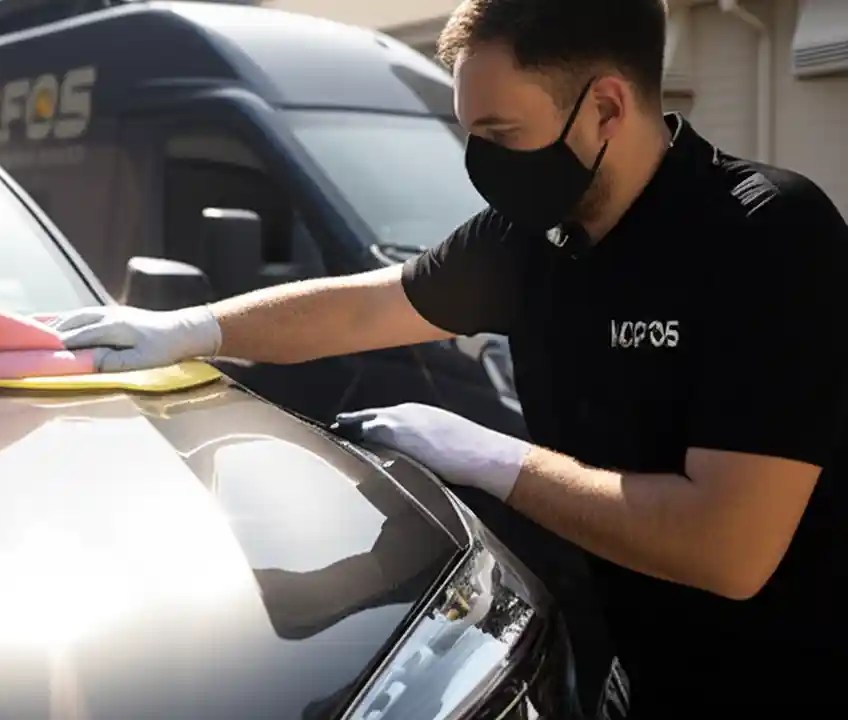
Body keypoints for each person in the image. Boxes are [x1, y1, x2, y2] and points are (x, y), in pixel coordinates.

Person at [48, 0, 846, 715]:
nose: (483, 163)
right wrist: (192, 329)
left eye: (502, 135)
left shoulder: (763, 236)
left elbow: (727, 548)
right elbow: (367, 305)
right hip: (629, 676)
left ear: (606, 106)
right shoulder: (533, 236)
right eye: (471, 133)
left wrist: (491, 459)